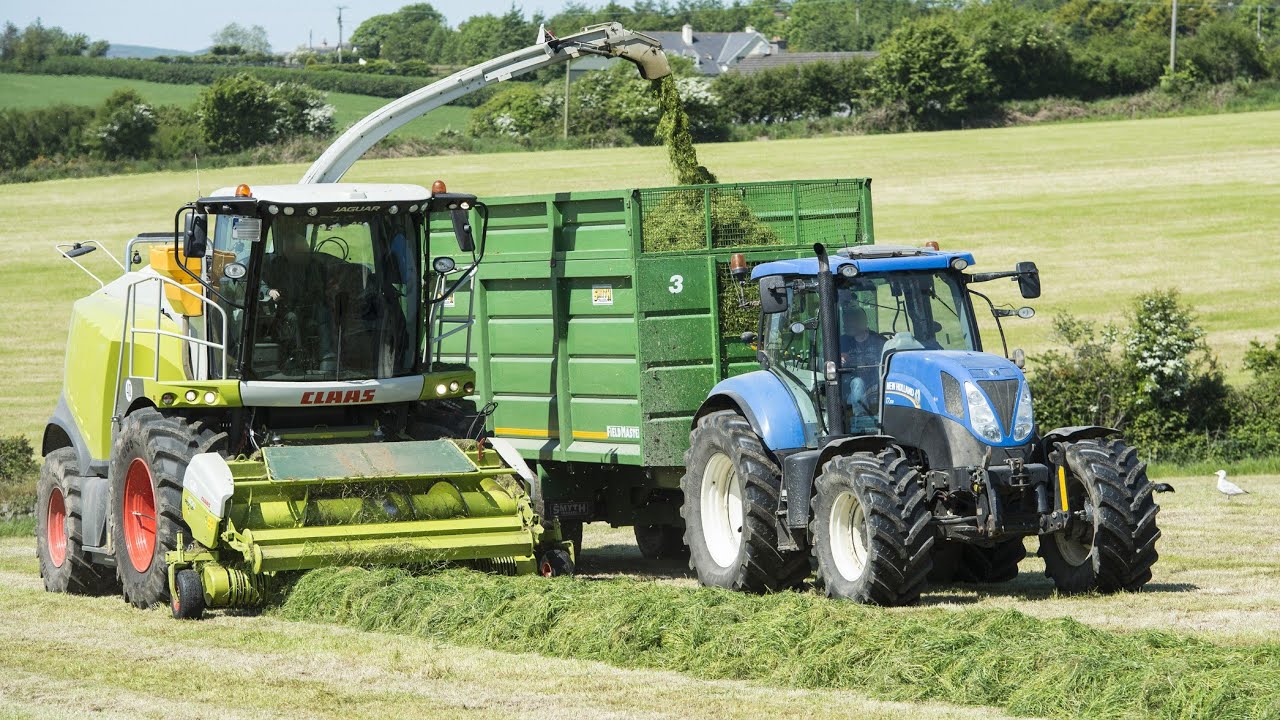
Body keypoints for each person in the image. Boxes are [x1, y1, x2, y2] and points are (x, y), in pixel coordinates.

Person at [839, 305, 885, 417]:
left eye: (849, 322)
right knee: (858, 383)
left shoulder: (880, 341)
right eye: (845, 322)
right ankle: (861, 417)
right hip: (851, 388)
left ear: (862, 322)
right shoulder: (842, 342)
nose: (845, 325)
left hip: (876, 384)